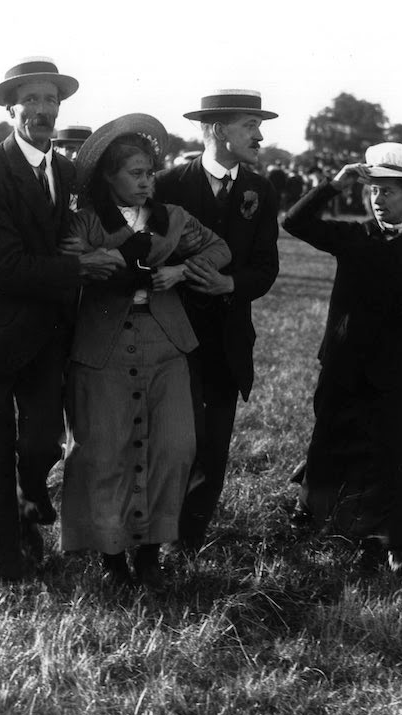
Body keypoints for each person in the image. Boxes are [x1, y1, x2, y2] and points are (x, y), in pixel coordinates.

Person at [0, 57, 120, 583]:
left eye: (52, 100)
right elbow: (1, 269)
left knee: (44, 442)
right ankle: (8, 559)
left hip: (49, 334)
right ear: (11, 107)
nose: (43, 110)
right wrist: (80, 266)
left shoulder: (68, 172)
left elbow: (99, 228)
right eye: (32, 100)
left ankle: (29, 498)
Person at [60, 114, 231, 591]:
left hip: (167, 343)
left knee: (174, 448)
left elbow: (219, 250)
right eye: (134, 174)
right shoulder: (86, 222)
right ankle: (112, 556)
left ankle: (151, 551)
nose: (145, 182)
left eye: (149, 173)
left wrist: (180, 272)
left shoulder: (172, 218)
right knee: (103, 450)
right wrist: (111, 264)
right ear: (108, 177)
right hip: (103, 347)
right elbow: (72, 261)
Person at [283, 142, 402, 573]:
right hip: (342, 360)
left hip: (392, 368)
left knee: (390, 449)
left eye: (388, 192)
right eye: (373, 192)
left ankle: (390, 538)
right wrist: (332, 186)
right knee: (329, 435)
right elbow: (295, 222)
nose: (377, 200)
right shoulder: (353, 236)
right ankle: (310, 512)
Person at [154, 89, 280, 552]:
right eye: (251, 125)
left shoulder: (261, 191)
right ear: (219, 129)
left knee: (213, 449)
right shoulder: (167, 186)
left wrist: (231, 286)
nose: (260, 135)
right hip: (170, 335)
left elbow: (265, 268)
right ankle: (153, 537)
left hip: (228, 340)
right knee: (170, 443)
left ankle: (185, 544)